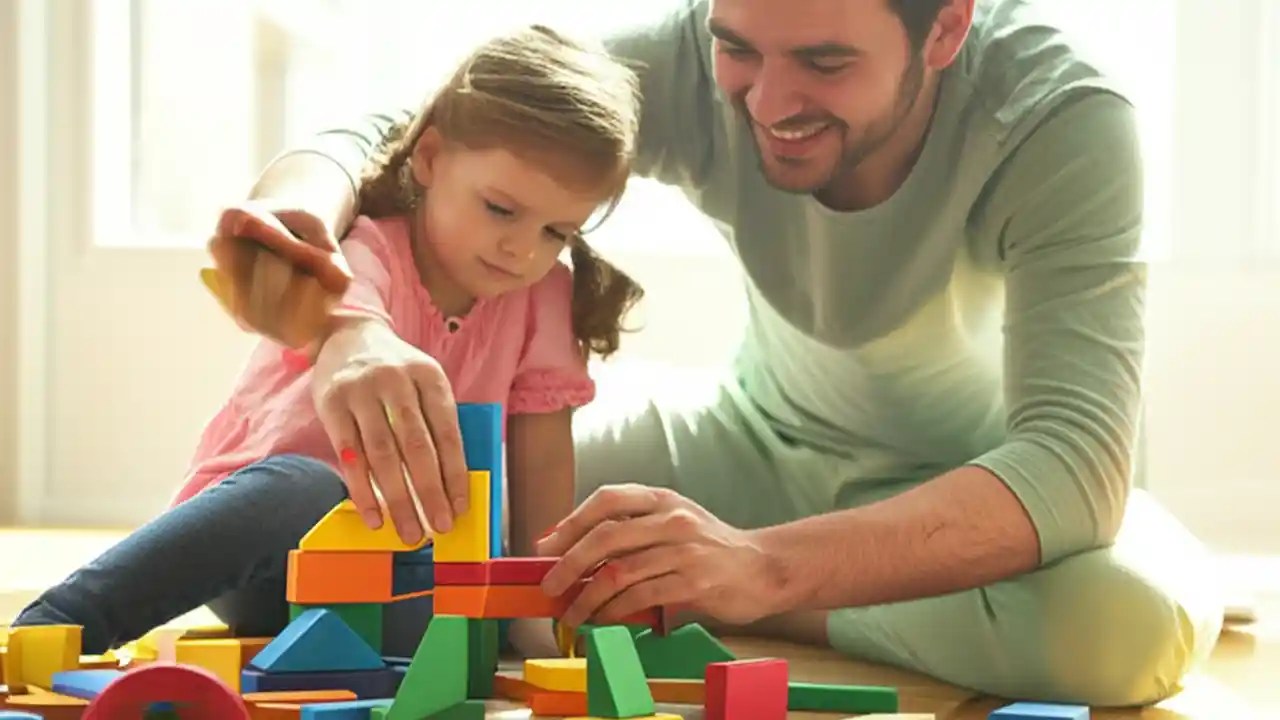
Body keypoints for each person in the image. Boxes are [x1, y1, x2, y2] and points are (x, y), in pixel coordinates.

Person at [216, 0, 1224, 708]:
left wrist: (762, 572)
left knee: (1117, 630)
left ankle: (736, 591)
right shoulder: (697, 62)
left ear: (945, 28)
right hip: (747, 449)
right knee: (414, 487)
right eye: (738, 46)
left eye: (824, 62)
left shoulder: (1057, 119)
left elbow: (1072, 464)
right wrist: (341, 304)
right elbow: (411, 128)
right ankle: (728, 585)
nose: (767, 100)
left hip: (965, 498)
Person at [11, 24, 644, 660]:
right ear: (429, 158)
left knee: (470, 619)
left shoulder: (544, 298)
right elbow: (338, 313)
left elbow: (541, 464)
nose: (522, 248)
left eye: (558, 232)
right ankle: (64, 618)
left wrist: (534, 616)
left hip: (405, 570)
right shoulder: (364, 250)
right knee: (306, 487)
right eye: (501, 210)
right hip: (266, 546)